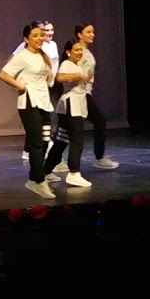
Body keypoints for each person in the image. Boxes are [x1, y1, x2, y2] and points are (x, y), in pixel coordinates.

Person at [0, 23, 58, 199]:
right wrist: (20, 86)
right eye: (35, 35)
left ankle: (35, 178)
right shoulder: (22, 56)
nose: (40, 38)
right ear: (26, 39)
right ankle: (39, 181)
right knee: (36, 143)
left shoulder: (43, 56)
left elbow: (49, 79)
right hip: (29, 103)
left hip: (44, 102)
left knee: (46, 140)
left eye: (41, 35)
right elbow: (3, 74)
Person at [45, 39, 94, 187]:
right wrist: (79, 76)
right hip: (71, 105)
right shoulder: (67, 64)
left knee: (62, 139)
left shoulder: (77, 65)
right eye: (76, 50)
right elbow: (60, 78)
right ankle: (74, 172)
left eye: (81, 50)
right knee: (77, 138)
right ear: (68, 52)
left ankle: (45, 170)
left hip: (75, 104)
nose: (80, 52)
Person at [74, 23, 120, 170]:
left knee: (69, 128)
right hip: (80, 93)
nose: (92, 34)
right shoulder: (79, 51)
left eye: (93, 32)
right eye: (88, 32)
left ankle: (55, 159)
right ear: (79, 34)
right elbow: (71, 69)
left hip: (85, 92)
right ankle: (99, 157)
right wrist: (85, 77)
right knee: (99, 121)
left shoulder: (86, 51)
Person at [16, 20, 60, 164]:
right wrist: (20, 84)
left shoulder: (51, 47)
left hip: (48, 86)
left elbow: (52, 66)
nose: (47, 34)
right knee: (37, 123)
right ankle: (37, 167)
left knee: (47, 119)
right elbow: (7, 70)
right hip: (33, 90)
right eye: (43, 31)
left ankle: (35, 152)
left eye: (49, 31)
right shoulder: (24, 50)